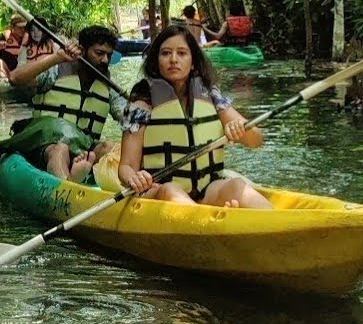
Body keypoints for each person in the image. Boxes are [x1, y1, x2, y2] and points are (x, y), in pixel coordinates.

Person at [116, 24, 272, 209]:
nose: (173, 59)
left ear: (193, 63)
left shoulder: (209, 94)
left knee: (237, 186)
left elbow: (256, 140)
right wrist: (135, 178)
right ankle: (209, 220)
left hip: (206, 190)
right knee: (171, 190)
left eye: (182, 53)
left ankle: (279, 225)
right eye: (165, 53)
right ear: (156, 61)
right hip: (157, 192)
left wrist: (239, 128)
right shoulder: (143, 99)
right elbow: (126, 166)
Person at [0, 25, 127, 182]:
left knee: (109, 147)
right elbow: (15, 78)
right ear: (82, 51)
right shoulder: (56, 71)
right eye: (99, 53)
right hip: (47, 145)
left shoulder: (108, 86)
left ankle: (80, 175)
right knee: (60, 149)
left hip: (84, 150)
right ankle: (68, 187)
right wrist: (57, 58)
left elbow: (128, 118)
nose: (104, 60)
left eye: (108, 55)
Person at [0, 14, 28, 93]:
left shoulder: (30, 38)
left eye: (24, 27)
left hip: (23, 71)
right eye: (20, 28)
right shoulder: (4, 38)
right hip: (7, 72)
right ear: (12, 27)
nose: (23, 30)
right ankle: (5, 85)